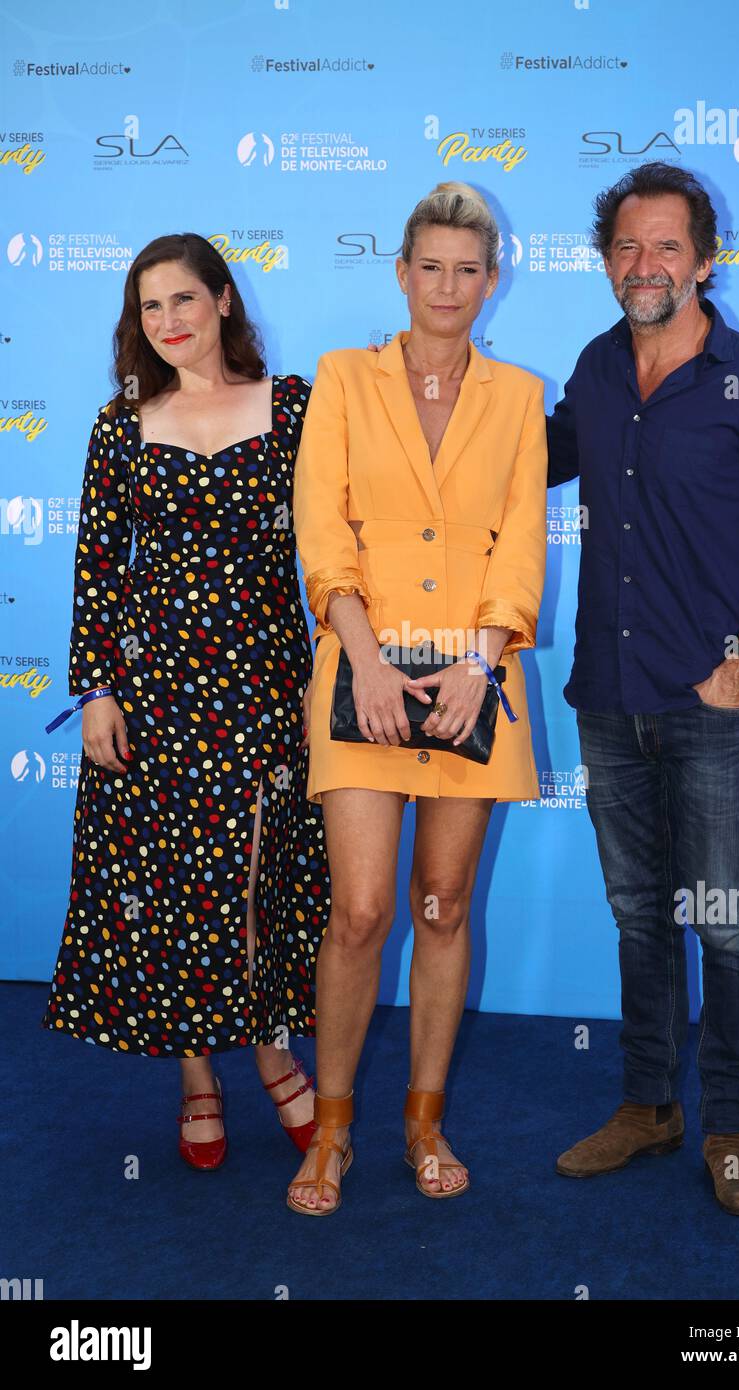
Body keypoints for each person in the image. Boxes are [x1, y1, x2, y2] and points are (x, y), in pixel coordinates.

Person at [547, 162, 739, 1215]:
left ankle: (729, 1126)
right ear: (603, 260)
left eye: (664, 245)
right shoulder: (594, 367)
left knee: (724, 922)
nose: (642, 264)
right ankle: (645, 1105)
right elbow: (527, 461)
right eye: (624, 245)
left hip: (710, 702)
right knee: (637, 918)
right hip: (606, 696)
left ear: (702, 260)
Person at [42, 233, 329, 1168]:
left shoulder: (294, 409)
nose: (166, 322)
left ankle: (273, 1047)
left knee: (257, 876)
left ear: (225, 301)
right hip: (156, 689)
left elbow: (338, 537)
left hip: (264, 683)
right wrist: (95, 692)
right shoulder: (119, 422)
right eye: (148, 308)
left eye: (182, 301)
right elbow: (96, 569)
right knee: (172, 888)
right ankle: (196, 1072)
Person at [288, 181, 547, 1214]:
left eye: (467, 269)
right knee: (358, 913)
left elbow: (518, 546)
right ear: (401, 274)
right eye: (429, 266)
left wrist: (476, 663)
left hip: (469, 681)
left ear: (492, 279)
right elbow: (324, 536)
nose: (447, 286)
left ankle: (422, 1120)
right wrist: (370, 665)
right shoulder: (341, 381)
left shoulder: (520, 396)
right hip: (364, 671)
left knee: (440, 907)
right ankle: (334, 1128)